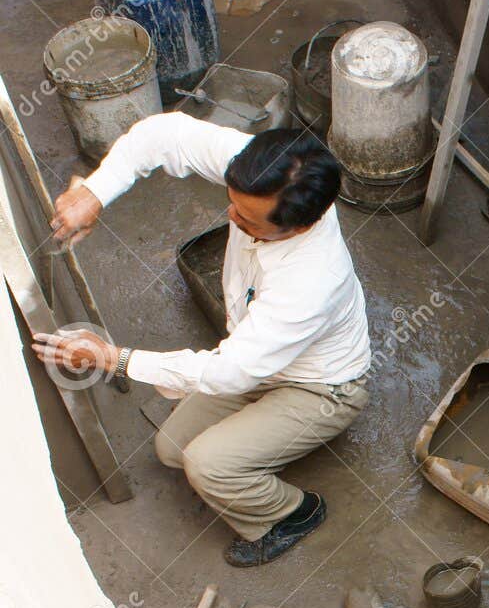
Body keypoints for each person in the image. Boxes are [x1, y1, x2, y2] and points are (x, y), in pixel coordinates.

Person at [34, 116, 371, 566]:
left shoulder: (311, 280)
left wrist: (115, 359)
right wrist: (94, 192)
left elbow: (228, 371)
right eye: (232, 204)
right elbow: (164, 135)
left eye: (247, 221)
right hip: (258, 358)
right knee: (171, 450)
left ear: (297, 227)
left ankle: (292, 513)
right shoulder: (263, 170)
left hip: (320, 387)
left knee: (206, 465)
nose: (231, 216)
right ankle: (251, 456)